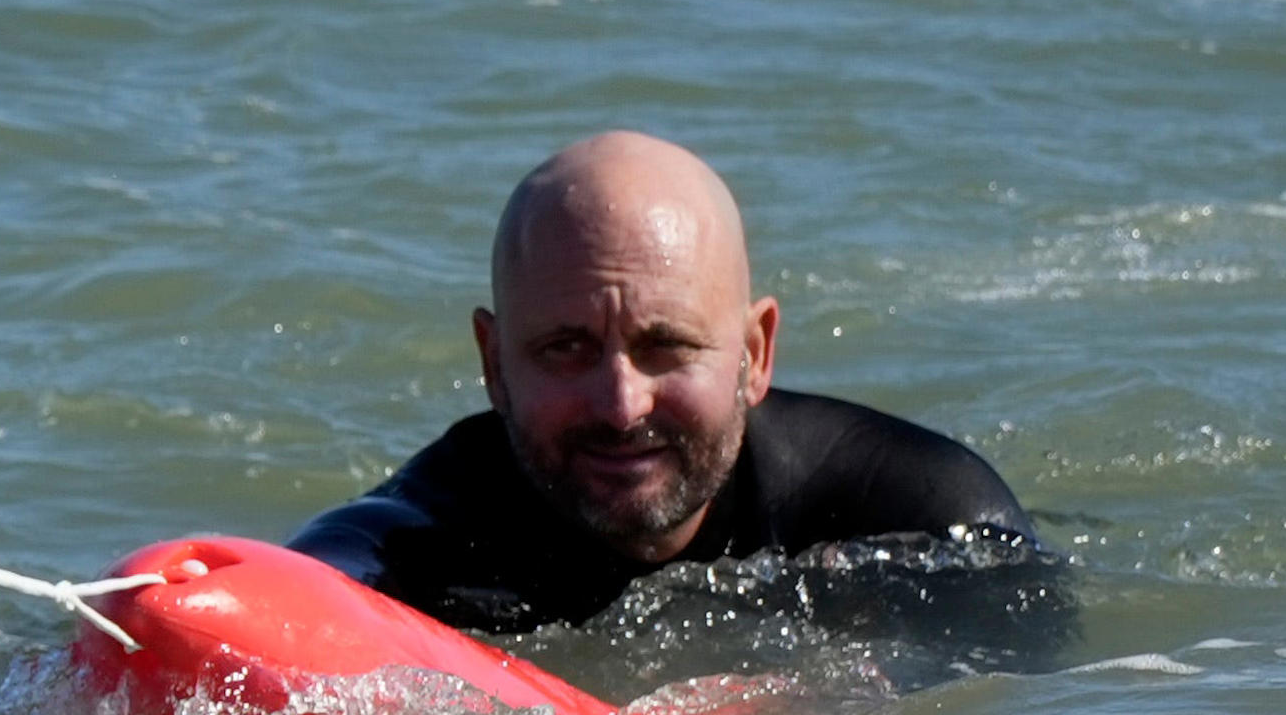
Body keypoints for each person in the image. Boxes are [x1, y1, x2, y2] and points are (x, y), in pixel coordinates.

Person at [292, 132, 1066, 652]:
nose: (620, 406)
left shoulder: (921, 515)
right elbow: (296, 593)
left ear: (754, 353)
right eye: (565, 349)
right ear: (493, 364)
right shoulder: (432, 535)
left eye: (665, 347)